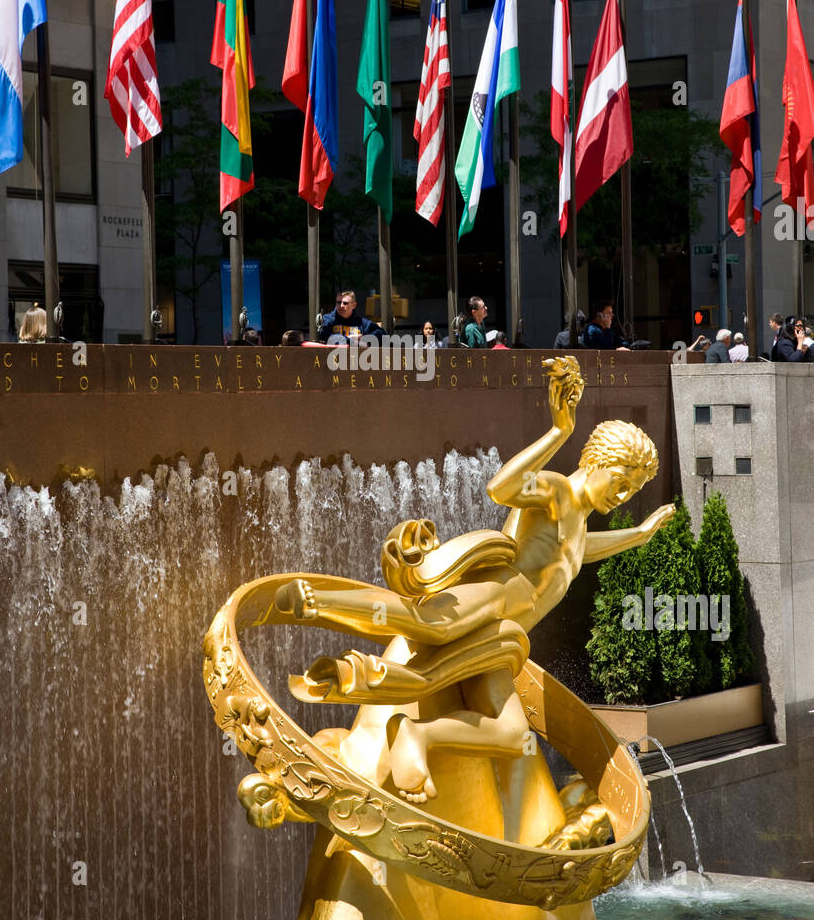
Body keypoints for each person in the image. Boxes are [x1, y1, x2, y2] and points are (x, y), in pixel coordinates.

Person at [278, 356, 672, 802]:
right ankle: (317, 601)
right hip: (496, 596)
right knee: (428, 622)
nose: (623, 496)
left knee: (510, 734)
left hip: (502, 638)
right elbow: (501, 488)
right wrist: (559, 431)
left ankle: (417, 734)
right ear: (597, 461)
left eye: (633, 492)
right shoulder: (558, 490)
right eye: (621, 481)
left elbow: (581, 554)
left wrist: (638, 536)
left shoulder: (579, 522)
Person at [318, 290, 383, 344]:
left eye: (345, 303)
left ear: (354, 305)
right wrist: (350, 340)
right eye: (338, 302)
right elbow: (325, 336)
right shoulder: (327, 319)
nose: (341, 306)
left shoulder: (361, 322)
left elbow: (382, 333)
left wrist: (363, 338)